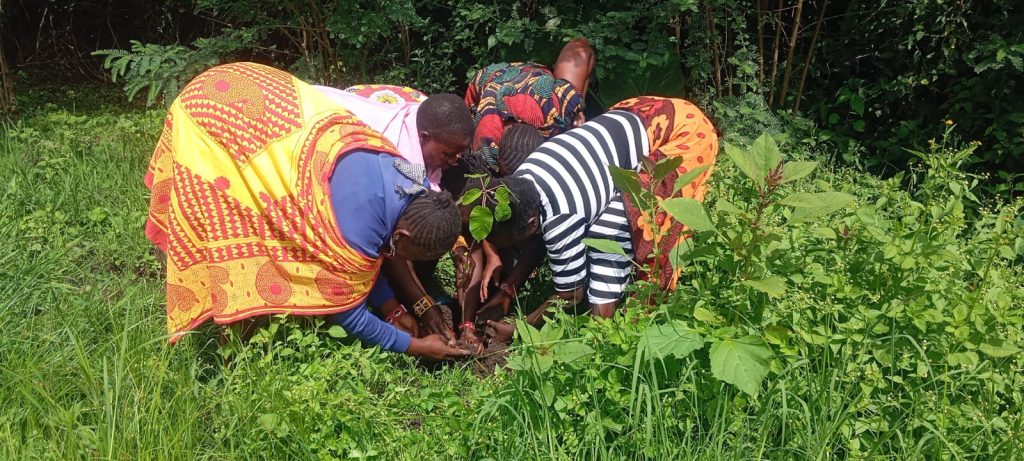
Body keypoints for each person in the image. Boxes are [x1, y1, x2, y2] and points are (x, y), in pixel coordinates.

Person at [144, 62, 471, 360]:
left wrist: (392, 309)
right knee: (234, 221)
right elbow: (345, 310)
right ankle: (233, 354)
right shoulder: (359, 229)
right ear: (399, 236)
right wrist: (414, 346)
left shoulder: (410, 176)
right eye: (405, 251)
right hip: (218, 115)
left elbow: (367, 265)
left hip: (255, 89)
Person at [475, 96, 719, 340]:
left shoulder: (562, 215)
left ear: (532, 224)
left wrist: (521, 329)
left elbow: (571, 294)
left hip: (684, 133)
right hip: (639, 114)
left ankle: (620, 335)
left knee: (643, 230)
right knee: (608, 231)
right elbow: (545, 237)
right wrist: (508, 290)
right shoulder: (522, 179)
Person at [314, 83, 477, 345]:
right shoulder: (369, 206)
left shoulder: (435, 130)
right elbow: (344, 307)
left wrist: (457, 246)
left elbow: (430, 204)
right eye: (449, 154)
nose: (455, 161)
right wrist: (415, 338)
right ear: (423, 137)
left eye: (459, 153)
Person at [464, 38, 596, 173]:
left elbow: (580, 48)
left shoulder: (556, 107)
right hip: (489, 86)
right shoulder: (484, 145)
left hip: (514, 79)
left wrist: (578, 110)